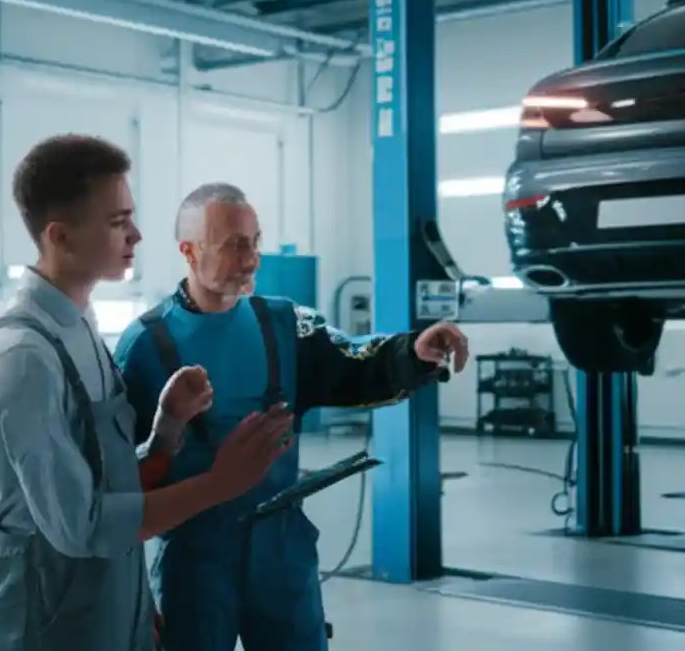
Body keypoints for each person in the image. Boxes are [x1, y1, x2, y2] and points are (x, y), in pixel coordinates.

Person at [0, 138, 295, 651]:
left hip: (109, 612)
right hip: (52, 626)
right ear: (62, 236)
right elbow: (85, 525)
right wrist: (221, 482)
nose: (137, 235)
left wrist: (165, 430)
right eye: (118, 221)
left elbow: (106, 483)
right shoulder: (21, 358)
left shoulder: (81, 330)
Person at [113, 182, 471, 651]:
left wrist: (414, 352)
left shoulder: (284, 323)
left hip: (282, 550)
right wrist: (133, 600)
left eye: (255, 241)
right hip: (194, 555)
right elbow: (123, 487)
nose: (251, 258)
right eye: (234, 245)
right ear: (188, 250)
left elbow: (354, 361)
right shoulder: (143, 347)